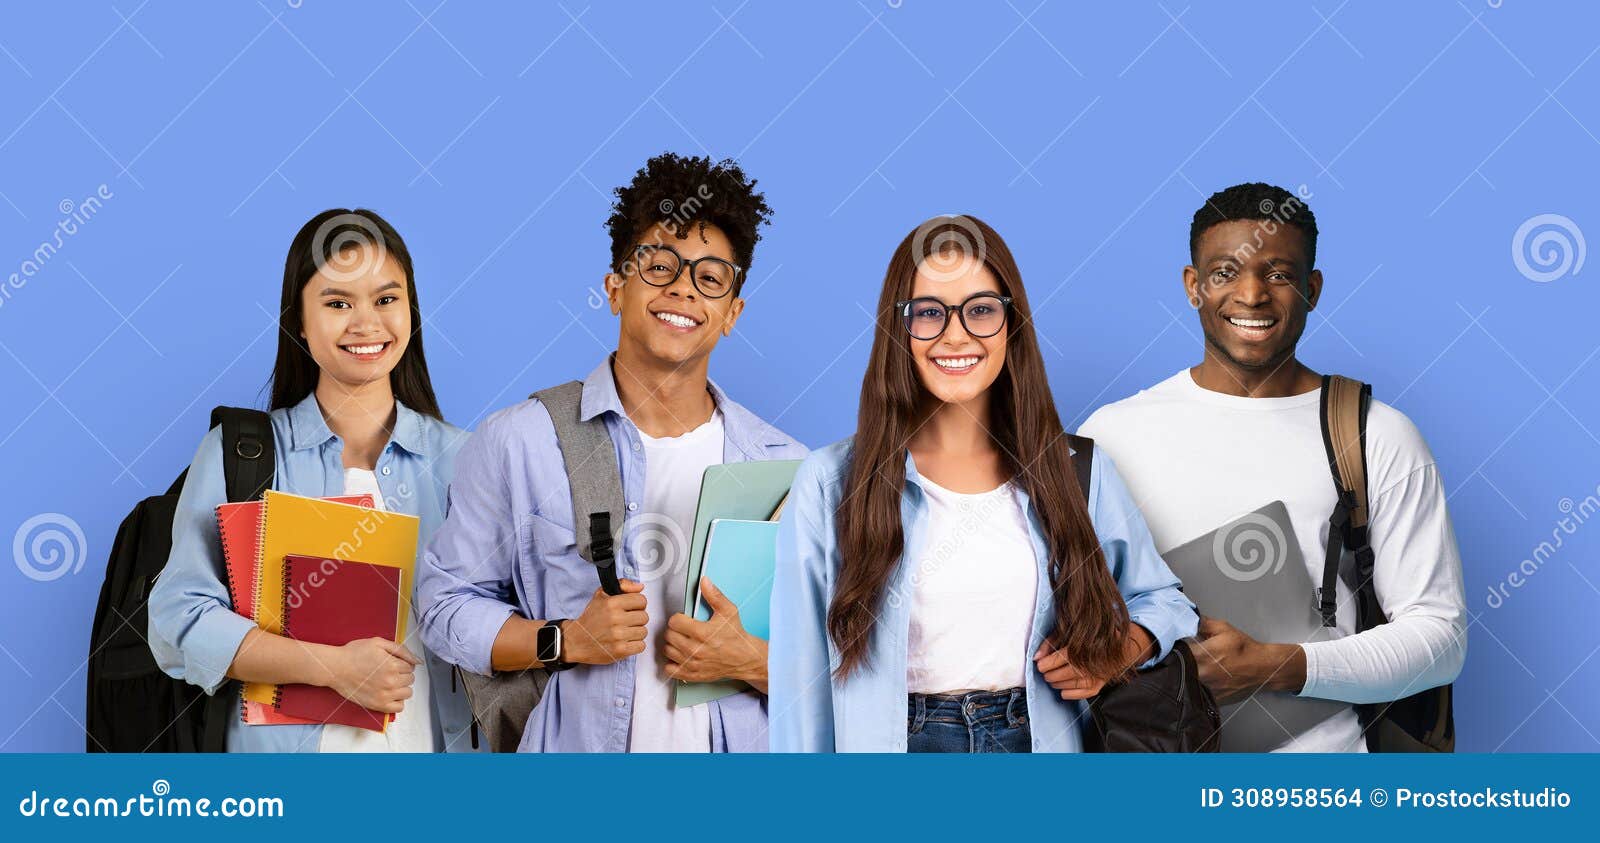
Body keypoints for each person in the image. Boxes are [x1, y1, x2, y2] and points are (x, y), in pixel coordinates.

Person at [417, 153, 805, 752]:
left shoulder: (787, 467)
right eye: (660, 265)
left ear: (732, 313)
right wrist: (565, 640)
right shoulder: (520, 441)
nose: (683, 287)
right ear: (615, 288)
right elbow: (443, 606)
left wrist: (753, 661)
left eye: (710, 277)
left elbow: (848, 666)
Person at [770, 215, 1197, 753]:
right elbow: (800, 681)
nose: (956, 335)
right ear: (898, 328)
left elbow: (1164, 600)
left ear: (1011, 324)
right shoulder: (831, 482)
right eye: (929, 312)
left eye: (981, 310)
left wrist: (1122, 648)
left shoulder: (1075, 469)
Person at [1079, 182, 1467, 752]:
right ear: (1192, 286)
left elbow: (1441, 638)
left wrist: (1277, 667)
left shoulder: (1374, 434)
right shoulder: (1109, 435)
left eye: (1279, 274)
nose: (1252, 294)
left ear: (1312, 289)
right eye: (1224, 272)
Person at [149, 208, 476, 752]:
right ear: (299, 320)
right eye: (337, 303)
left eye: (386, 299)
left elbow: (499, 618)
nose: (366, 323)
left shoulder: (467, 459)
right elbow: (178, 620)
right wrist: (333, 668)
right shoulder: (244, 455)